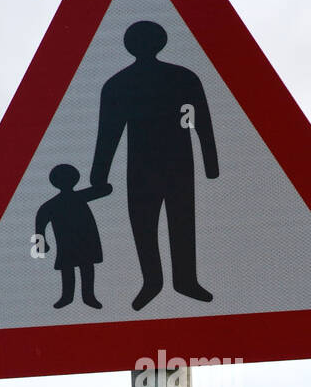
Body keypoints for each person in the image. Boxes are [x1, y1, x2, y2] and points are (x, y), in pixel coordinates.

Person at [90, 20, 219, 311]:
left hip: (175, 165)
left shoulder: (182, 78)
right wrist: (99, 175)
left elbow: (202, 122)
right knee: (145, 224)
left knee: (180, 221)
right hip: (143, 168)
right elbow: (108, 133)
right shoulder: (119, 85)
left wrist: (211, 164)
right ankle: (153, 282)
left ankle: (185, 280)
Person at [34, 164, 111, 309]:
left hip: (85, 240)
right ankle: (67, 297)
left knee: (85, 266)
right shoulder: (53, 204)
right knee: (69, 268)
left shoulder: (59, 202)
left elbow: (105, 190)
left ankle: (88, 296)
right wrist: (40, 244)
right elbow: (40, 223)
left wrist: (100, 179)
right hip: (67, 242)